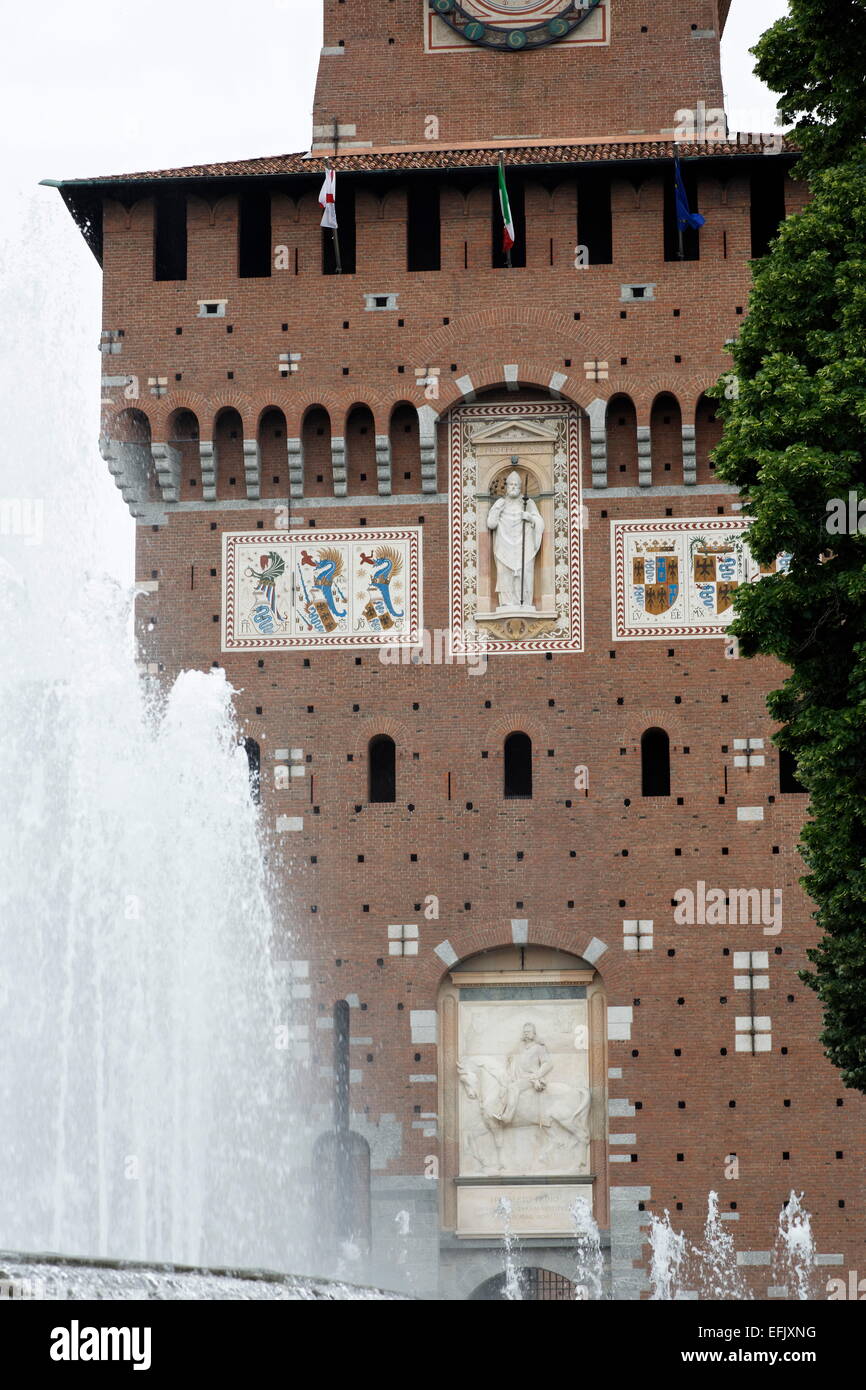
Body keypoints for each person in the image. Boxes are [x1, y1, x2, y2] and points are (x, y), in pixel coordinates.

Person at [486, 469, 543, 610]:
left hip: (525, 545)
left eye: (516, 485)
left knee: (525, 573)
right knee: (504, 574)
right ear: (506, 487)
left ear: (520, 487)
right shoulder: (500, 502)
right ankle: (507, 602)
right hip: (504, 546)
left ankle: (525, 602)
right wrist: (497, 509)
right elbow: (491, 524)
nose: (513, 487)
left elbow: (539, 522)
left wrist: (529, 517)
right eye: (510, 485)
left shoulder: (527, 503)